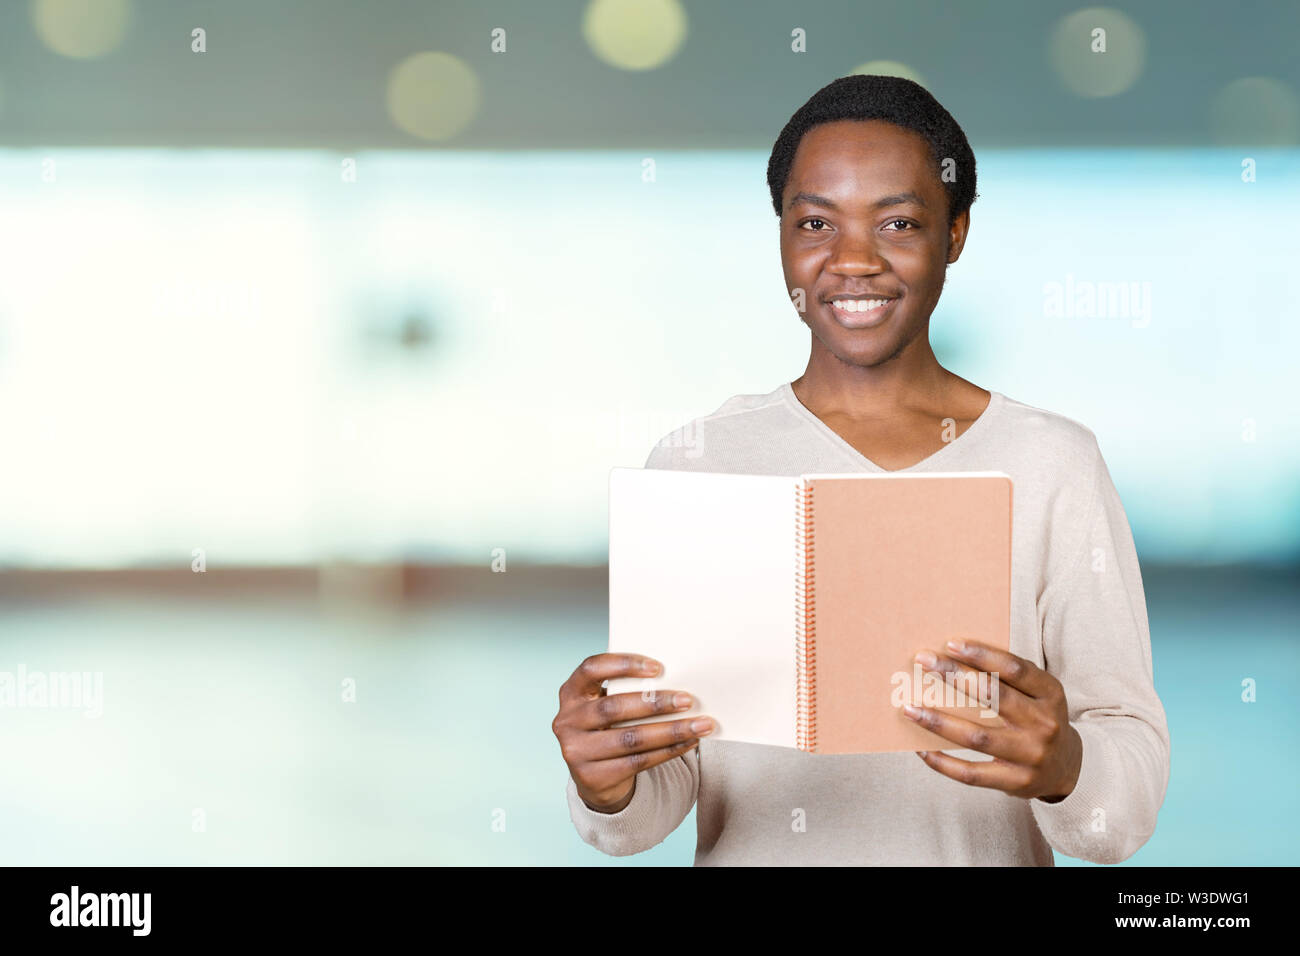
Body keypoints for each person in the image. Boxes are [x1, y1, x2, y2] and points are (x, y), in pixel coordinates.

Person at [551, 74, 1170, 866]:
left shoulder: (1052, 463)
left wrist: (1066, 767)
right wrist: (609, 779)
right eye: (815, 222)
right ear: (779, 235)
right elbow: (652, 802)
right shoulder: (699, 462)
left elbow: (1118, 811)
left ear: (955, 233)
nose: (851, 261)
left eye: (899, 223)